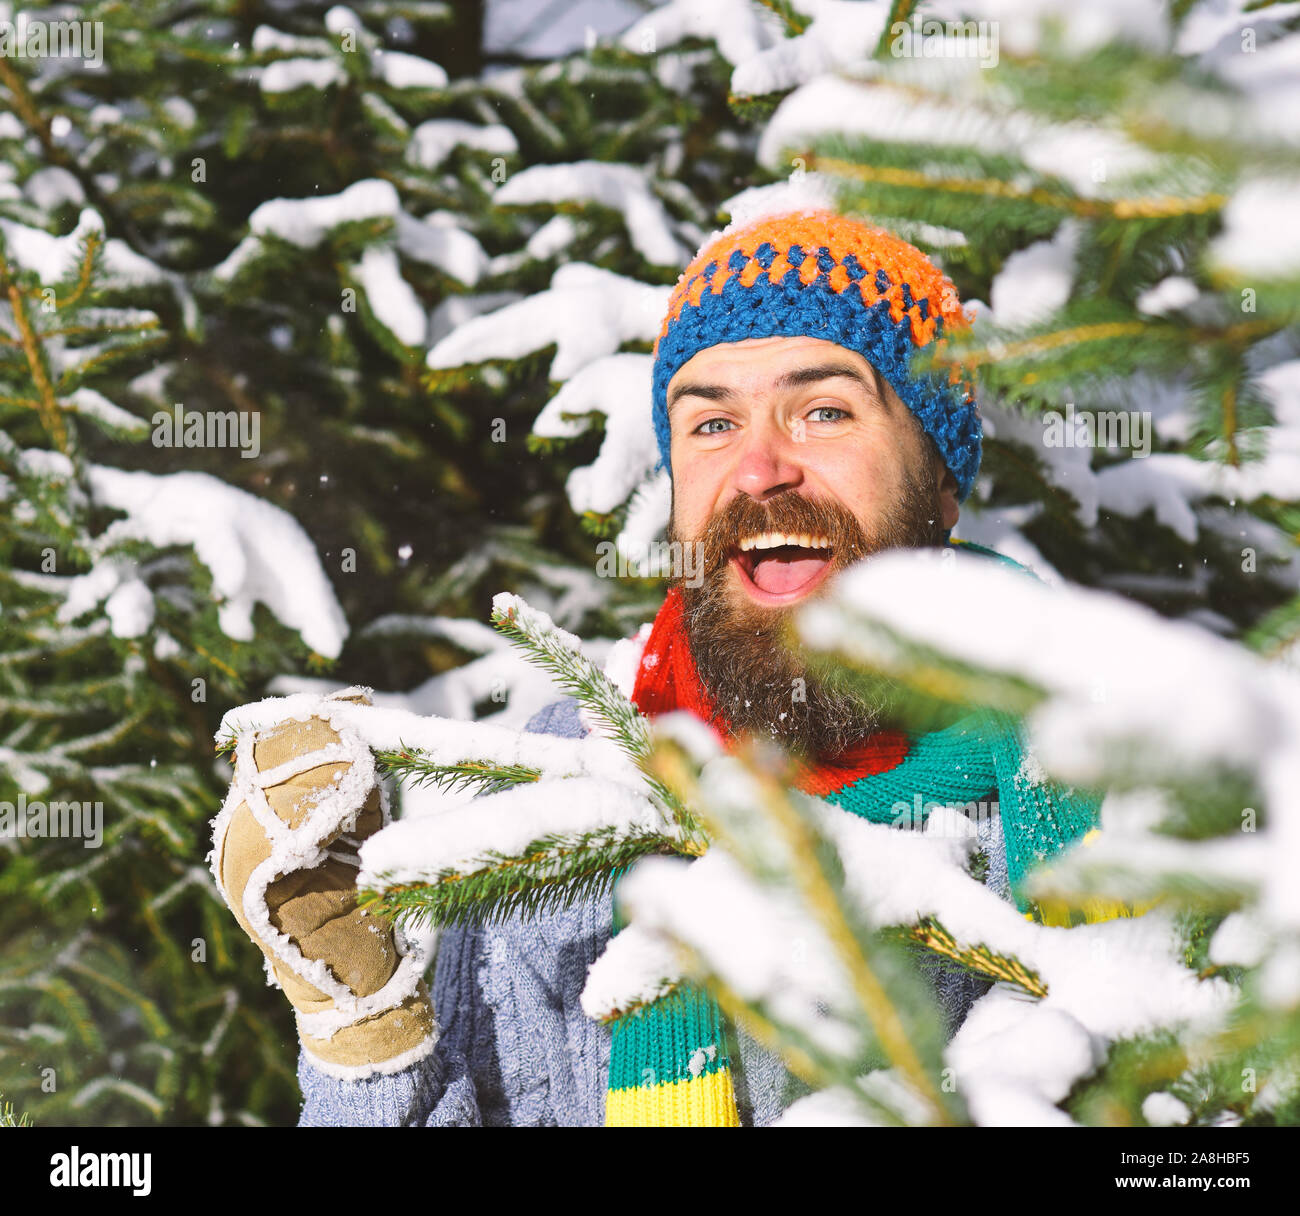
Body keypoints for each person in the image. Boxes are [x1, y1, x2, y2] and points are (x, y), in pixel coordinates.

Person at [210, 210, 1103, 1127]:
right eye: (712, 423)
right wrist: (368, 1033)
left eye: (825, 410)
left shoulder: (1096, 774)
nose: (758, 469)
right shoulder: (563, 778)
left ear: (942, 478)